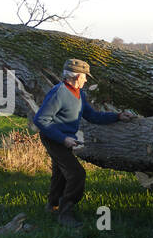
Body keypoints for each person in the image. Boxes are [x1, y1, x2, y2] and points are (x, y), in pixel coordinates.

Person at [31, 58, 135, 228]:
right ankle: (65, 213)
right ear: (76, 76)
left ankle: (52, 206)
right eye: (85, 76)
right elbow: (40, 120)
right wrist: (63, 139)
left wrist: (117, 116)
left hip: (63, 139)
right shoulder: (59, 93)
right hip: (53, 138)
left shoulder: (80, 94)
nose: (86, 80)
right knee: (77, 174)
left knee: (61, 172)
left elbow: (93, 116)